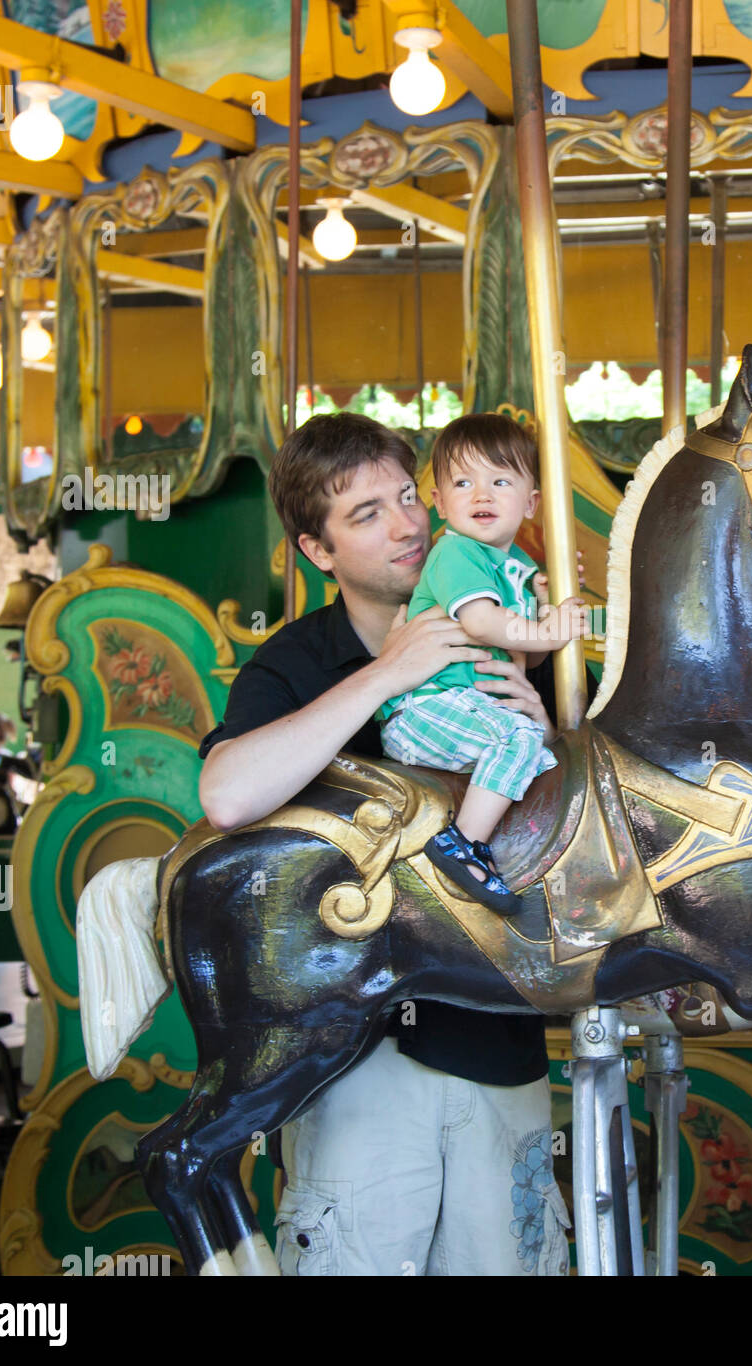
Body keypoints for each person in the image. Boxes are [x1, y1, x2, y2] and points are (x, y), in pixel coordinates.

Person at [197, 411, 572, 1277]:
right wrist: (387, 674)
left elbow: (565, 837)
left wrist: (545, 730)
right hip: (354, 1056)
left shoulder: (511, 637)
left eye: (408, 496)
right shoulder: (296, 665)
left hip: (496, 1035)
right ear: (316, 550)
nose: (406, 524)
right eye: (365, 513)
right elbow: (224, 796)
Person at [377, 414, 587, 915]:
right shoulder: (456, 552)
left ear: (531, 503)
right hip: (426, 707)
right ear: (441, 503)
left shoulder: (512, 566)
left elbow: (524, 655)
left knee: (544, 761)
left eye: (500, 481)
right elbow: (479, 621)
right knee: (518, 740)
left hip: (465, 708)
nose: (481, 496)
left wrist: (544, 610)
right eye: (463, 483)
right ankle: (461, 846)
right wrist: (547, 629)